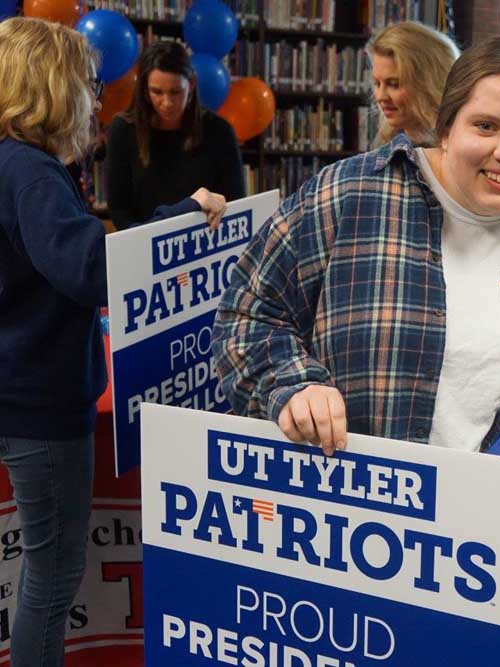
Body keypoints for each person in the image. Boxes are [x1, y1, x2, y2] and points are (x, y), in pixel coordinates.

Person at [213, 34, 500, 471]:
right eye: (486, 126)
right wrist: (294, 384)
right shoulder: (348, 193)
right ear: (446, 126)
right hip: (346, 505)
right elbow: (246, 315)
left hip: (477, 522)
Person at [0, 18, 226, 667]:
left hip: (19, 386)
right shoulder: (31, 171)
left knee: (46, 566)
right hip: (40, 402)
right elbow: (90, 269)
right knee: (52, 574)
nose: (93, 98)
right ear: (52, 86)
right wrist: (179, 217)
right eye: (84, 84)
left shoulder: (12, 161)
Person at [105, 40, 245, 230]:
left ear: (192, 84)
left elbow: (235, 201)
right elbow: (119, 209)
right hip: (143, 241)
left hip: (205, 241)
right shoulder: (123, 130)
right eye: (157, 92)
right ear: (144, 90)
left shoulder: (219, 131)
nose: (167, 102)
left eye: (176, 92)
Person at [367, 20, 459, 147]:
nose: (380, 96)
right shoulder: (385, 145)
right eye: (377, 84)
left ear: (427, 83)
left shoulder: (457, 147)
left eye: (394, 84)